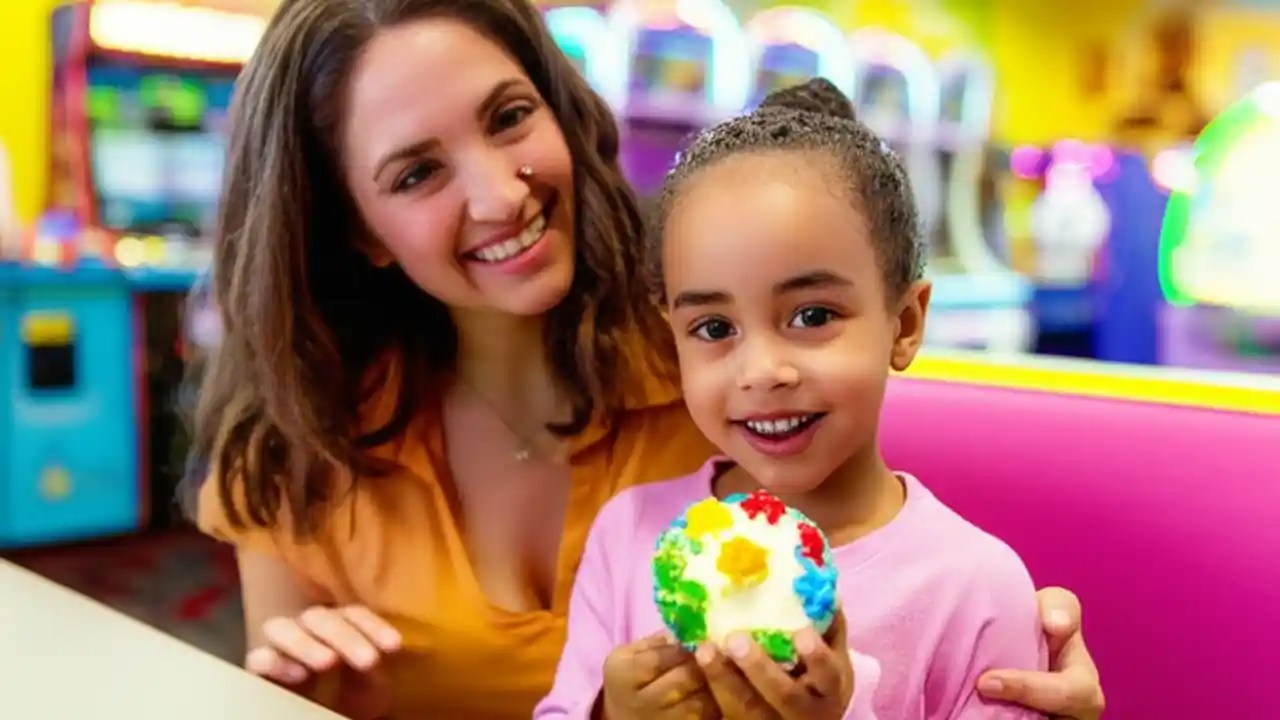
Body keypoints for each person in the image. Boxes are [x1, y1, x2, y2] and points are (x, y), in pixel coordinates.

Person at [187, 0, 1105, 717]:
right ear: (357, 227)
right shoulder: (291, 452)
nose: (502, 193)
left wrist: (1017, 650)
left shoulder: (720, 384)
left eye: (509, 118)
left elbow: (898, 577)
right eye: (417, 173)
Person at [534, 77, 1057, 719]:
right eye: (714, 329)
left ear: (906, 322)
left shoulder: (977, 587)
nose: (762, 370)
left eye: (811, 316)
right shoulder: (630, 532)